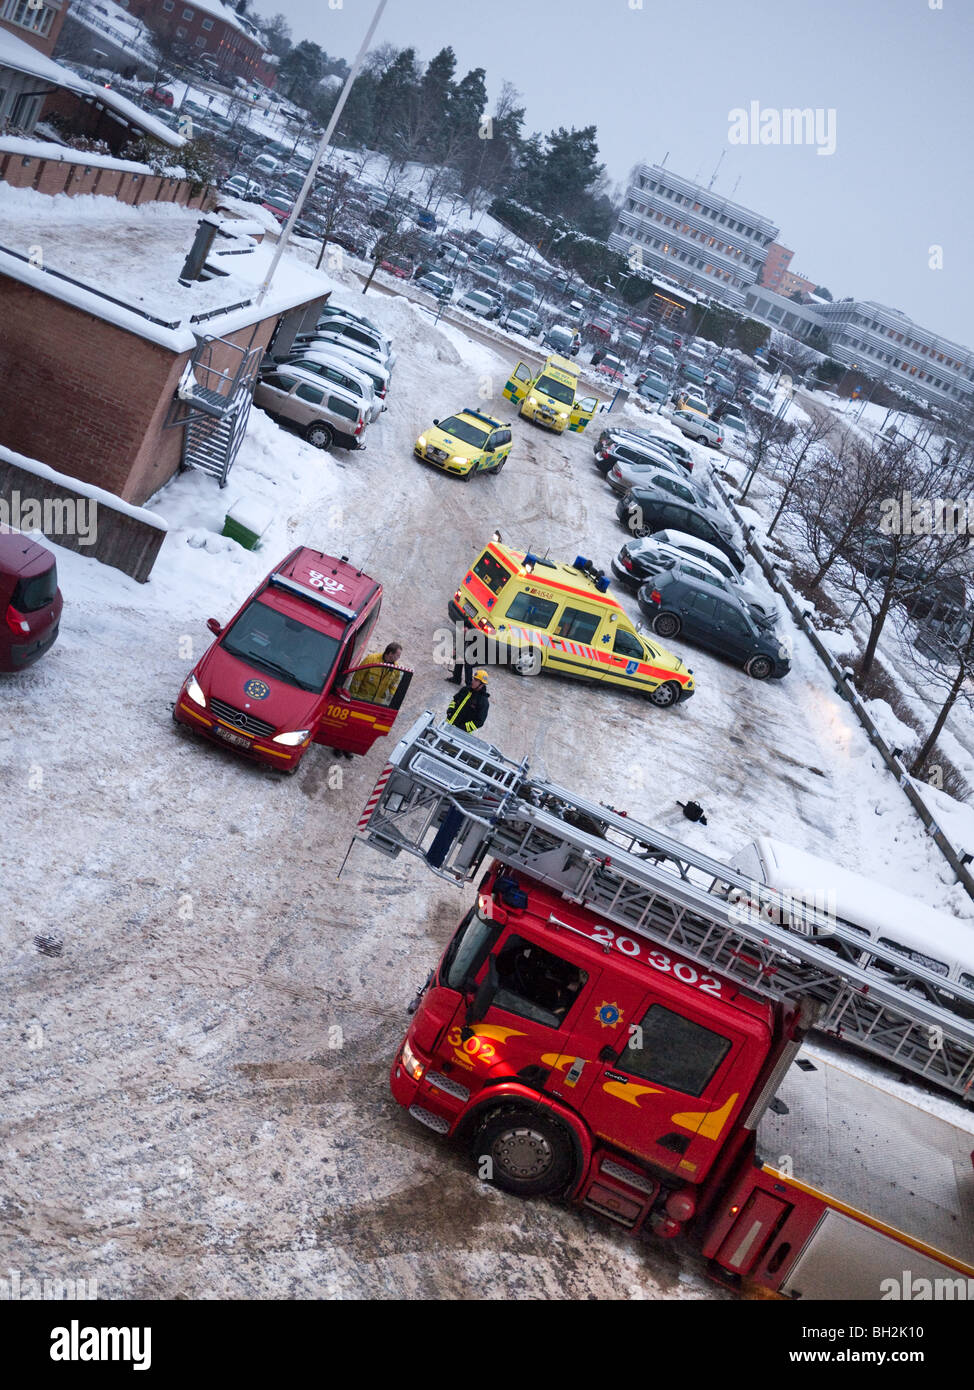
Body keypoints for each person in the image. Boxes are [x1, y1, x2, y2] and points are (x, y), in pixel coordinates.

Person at [446, 669, 489, 734]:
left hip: (461, 733)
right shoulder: (465, 689)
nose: (473, 681)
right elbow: (455, 699)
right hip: (448, 724)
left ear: (482, 684)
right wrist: (450, 710)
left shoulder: (483, 702)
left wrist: (463, 728)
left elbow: (479, 722)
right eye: (474, 679)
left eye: (476, 680)